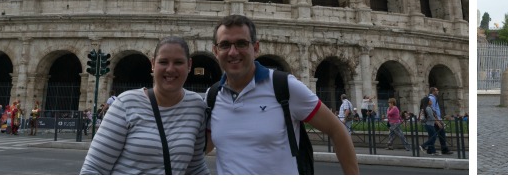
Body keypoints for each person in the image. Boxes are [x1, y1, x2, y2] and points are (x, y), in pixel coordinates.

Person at [205, 14, 358, 174]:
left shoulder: (284, 86)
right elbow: (203, 146)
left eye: (241, 43)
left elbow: (337, 129)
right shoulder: (213, 96)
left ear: (256, 48)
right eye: (224, 45)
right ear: (216, 51)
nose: (233, 52)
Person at [79, 36, 208, 174]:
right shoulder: (126, 103)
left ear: (189, 65)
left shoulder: (197, 106)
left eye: (178, 62)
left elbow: (195, 168)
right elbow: (93, 169)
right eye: (163, 62)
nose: (170, 69)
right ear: (153, 64)